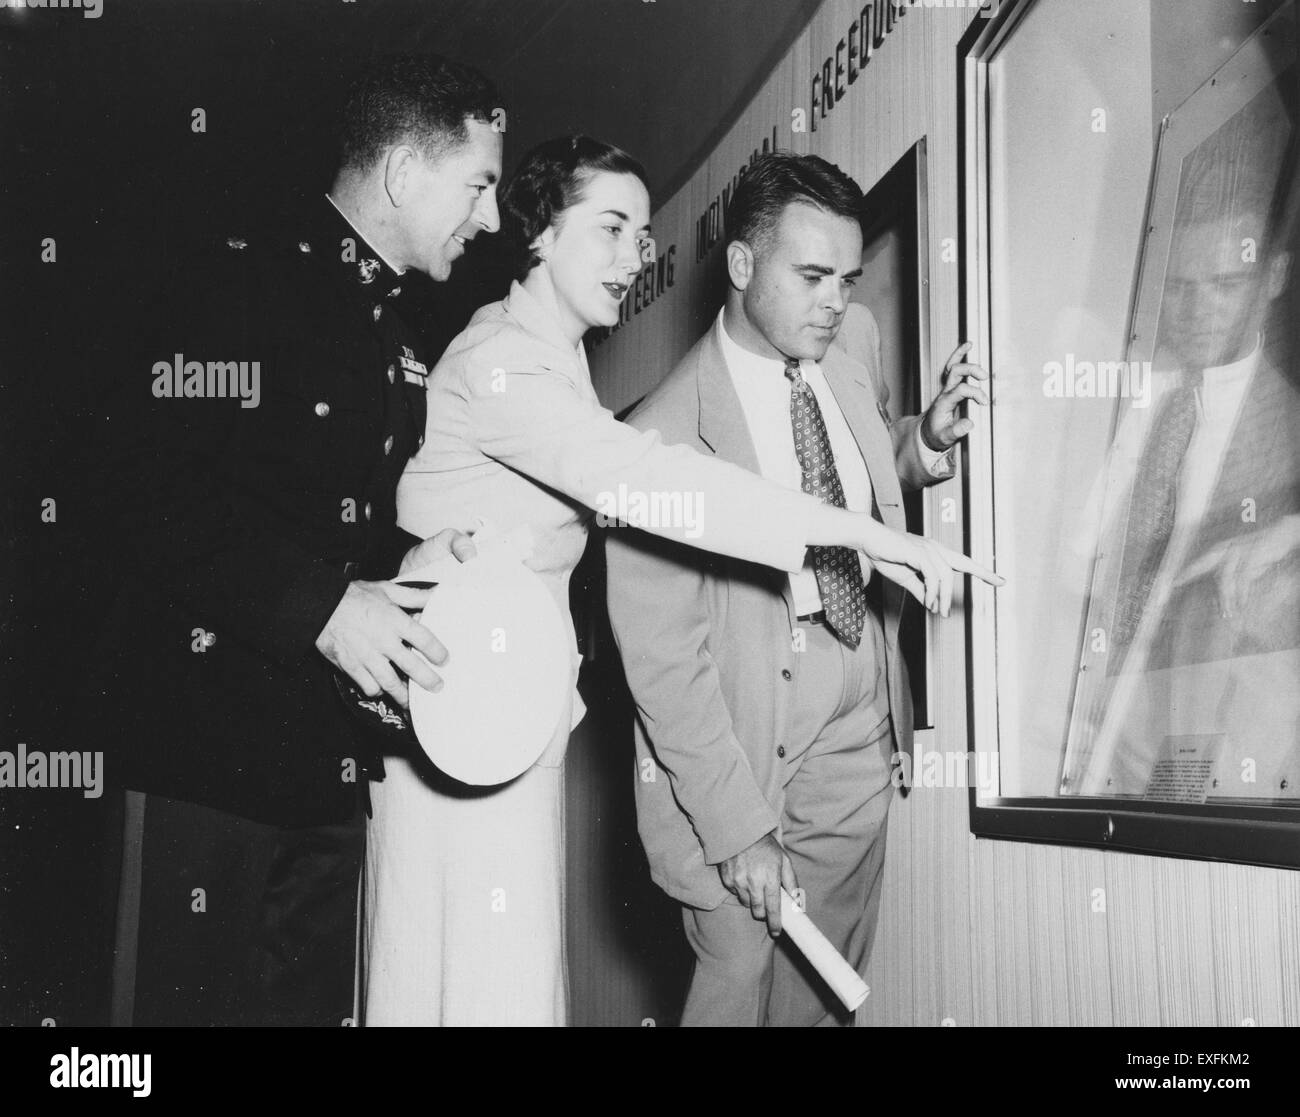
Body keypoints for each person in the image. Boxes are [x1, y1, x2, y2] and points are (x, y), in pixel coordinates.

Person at [362, 135, 1000, 1026]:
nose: (638, 257)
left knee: (503, 984)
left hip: (513, 713)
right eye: (612, 228)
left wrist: (917, 447)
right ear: (539, 234)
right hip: (457, 709)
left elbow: (848, 459)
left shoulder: (562, 360)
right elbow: (664, 494)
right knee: (467, 986)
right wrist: (856, 536)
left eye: (643, 233)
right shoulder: (508, 362)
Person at [86, 55, 501, 1025]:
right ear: (403, 171)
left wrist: (421, 568)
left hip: (321, 774)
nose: (490, 218)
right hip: (200, 760)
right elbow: (133, 480)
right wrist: (316, 607)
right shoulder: (231, 277)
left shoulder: (400, 332)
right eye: (478, 183)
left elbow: (328, 521)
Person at [604, 151, 989, 1026]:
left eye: (847, 278)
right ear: (741, 266)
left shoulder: (846, 342)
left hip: (856, 690)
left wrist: (922, 442)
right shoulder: (659, 441)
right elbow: (664, 667)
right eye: (811, 275)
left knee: (827, 981)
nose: (836, 300)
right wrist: (738, 827)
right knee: (739, 977)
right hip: (736, 720)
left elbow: (848, 476)